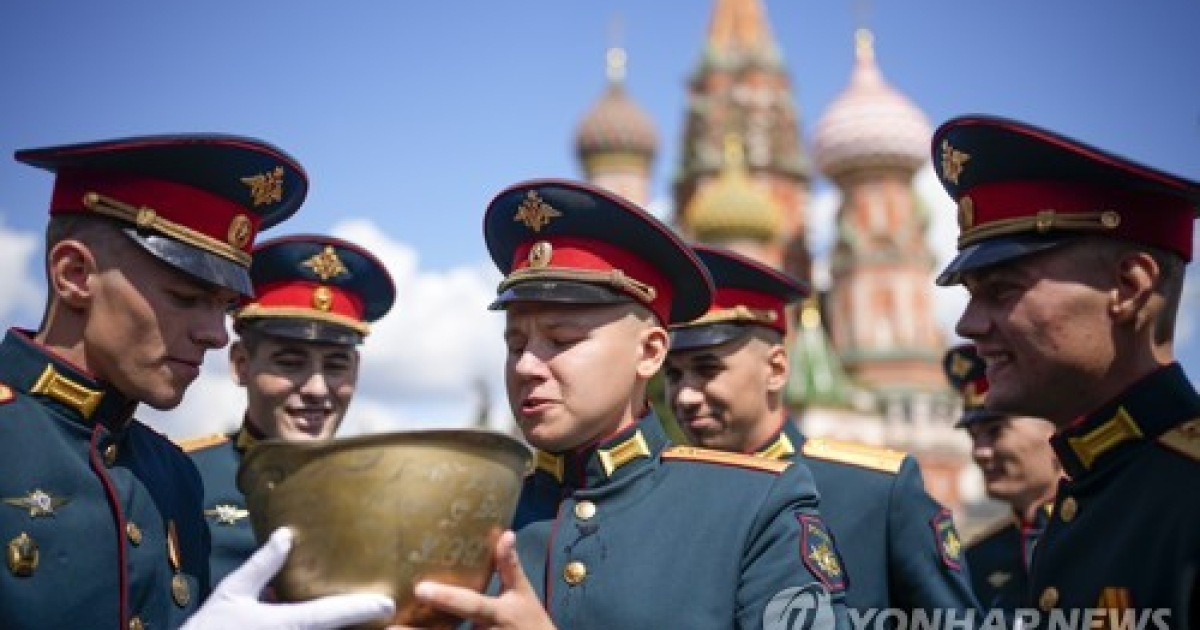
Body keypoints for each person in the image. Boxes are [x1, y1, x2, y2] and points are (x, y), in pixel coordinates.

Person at [408, 179, 850, 629]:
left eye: (562, 340)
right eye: (516, 344)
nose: (526, 367)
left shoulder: (755, 506)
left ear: (650, 353)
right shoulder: (472, 518)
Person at [0, 135, 395, 629]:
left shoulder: (170, 473)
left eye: (226, 307)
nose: (213, 334)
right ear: (75, 273)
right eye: (185, 297)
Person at [935, 114, 1200, 627]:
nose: (968, 325)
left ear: (1129, 287)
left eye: (1002, 290)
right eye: (968, 296)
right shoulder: (1087, 495)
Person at [663, 244, 981, 628]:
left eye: (707, 369)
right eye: (673, 375)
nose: (685, 396)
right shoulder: (664, 496)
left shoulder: (875, 493)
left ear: (777, 370)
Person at [181, 233, 396, 584]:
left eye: (336, 366)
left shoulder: (388, 494)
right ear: (240, 365)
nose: (316, 388)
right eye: (290, 362)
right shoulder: (184, 478)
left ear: (356, 371)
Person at [943, 343, 1060, 623]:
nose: (979, 452)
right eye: (973, 436)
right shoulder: (977, 558)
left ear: (1055, 427)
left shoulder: (1113, 529)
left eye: (996, 431)